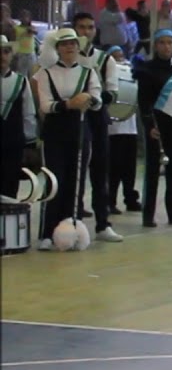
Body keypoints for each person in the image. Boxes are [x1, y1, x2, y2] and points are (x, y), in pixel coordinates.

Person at [40, 12, 124, 242]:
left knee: (99, 172)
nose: (86, 31)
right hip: (67, 121)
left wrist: (89, 99)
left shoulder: (105, 59)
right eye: (81, 28)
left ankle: (102, 224)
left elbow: (112, 93)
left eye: (89, 27)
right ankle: (67, 224)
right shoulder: (56, 62)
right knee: (68, 174)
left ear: (94, 31)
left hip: (95, 121)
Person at [33, 28, 103, 249]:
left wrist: (89, 99)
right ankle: (47, 233)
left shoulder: (88, 72)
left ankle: (72, 229)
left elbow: (98, 100)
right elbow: (45, 105)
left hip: (80, 129)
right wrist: (68, 104)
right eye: (64, 44)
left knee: (77, 181)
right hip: (54, 132)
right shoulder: (44, 74)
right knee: (54, 181)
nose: (69, 47)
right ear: (58, 48)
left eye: (73, 43)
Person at [134, 29, 172, 228]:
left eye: (170, 42)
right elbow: (143, 102)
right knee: (152, 171)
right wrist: (149, 126)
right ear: (156, 45)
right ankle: (148, 214)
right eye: (162, 42)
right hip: (155, 125)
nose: (167, 46)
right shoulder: (146, 69)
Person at [1, 35, 38, 199]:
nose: (2, 56)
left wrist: (30, 143)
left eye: (6, 51)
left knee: (10, 188)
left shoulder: (21, 81)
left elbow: (28, 113)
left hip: (12, 143)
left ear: (11, 55)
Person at [106, 47, 142, 213]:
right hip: (113, 129)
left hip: (130, 128)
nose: (120, 58)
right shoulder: (106, 77)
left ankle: (130, 198)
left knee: (129, 168)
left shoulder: (130, 73)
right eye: (115, 56)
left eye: (121, 54)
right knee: (114, 168)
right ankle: (110, 201)